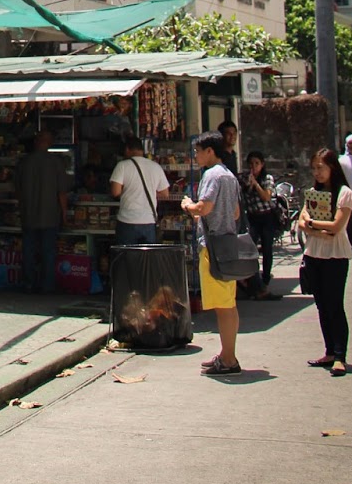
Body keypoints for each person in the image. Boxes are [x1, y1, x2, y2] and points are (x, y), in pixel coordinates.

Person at [181, 130, 242, 375]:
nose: (196, 156)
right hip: (228, 242)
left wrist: (187, 205)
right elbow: (236, 213)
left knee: (223, 307)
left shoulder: (212, 175)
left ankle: (228, 359)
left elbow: (203, 208)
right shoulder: (229, 175)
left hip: (213, 245)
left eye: (198, 151)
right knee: (228, 304)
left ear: (210, 151)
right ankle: (227, 353)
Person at [298, 147, 352, 375]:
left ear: (332, 167)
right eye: (314, 169)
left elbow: (337, 226)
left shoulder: (344, 193)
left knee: (334, 305)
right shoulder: (313, 192)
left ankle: (340, 355)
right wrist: (316, 229)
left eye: (320, 168)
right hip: (314, 254)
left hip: (335, 256)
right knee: (321, 305)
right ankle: (330, 351)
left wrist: (313, 226)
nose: (317, 173)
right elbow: (302, 221)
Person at [15, 129, 69, 292]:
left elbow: (17, 190)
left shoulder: (24, 162)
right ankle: (47, 285)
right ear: (50, 143)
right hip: (50, 215)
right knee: (48, 252)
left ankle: (28, 283)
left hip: (29, 214)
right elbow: (62, 192)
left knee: (29, 251)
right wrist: (64, 214)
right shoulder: (56, 162)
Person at [109, 137, 169, 246]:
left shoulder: (122, 166)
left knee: (127, 258)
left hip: (127, 221)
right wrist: (149, 193)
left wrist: (130, 192)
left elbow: (115, 192)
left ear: (127, 149)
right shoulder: (156, 167)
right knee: (146, 260)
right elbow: (165, 193)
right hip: (149, 221)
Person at [238, 151, 281, 300]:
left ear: (262, 165)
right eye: (251, 164)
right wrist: (247, 185)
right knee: (250, 248)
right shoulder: (244, 178)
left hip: (266, 216)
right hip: (252, 217)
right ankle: (251, 280)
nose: (254, 167)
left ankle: (266, 278)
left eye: (257, 164)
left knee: (267, 248)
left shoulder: (267, 179)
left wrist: (255, 184)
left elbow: (266, 196)